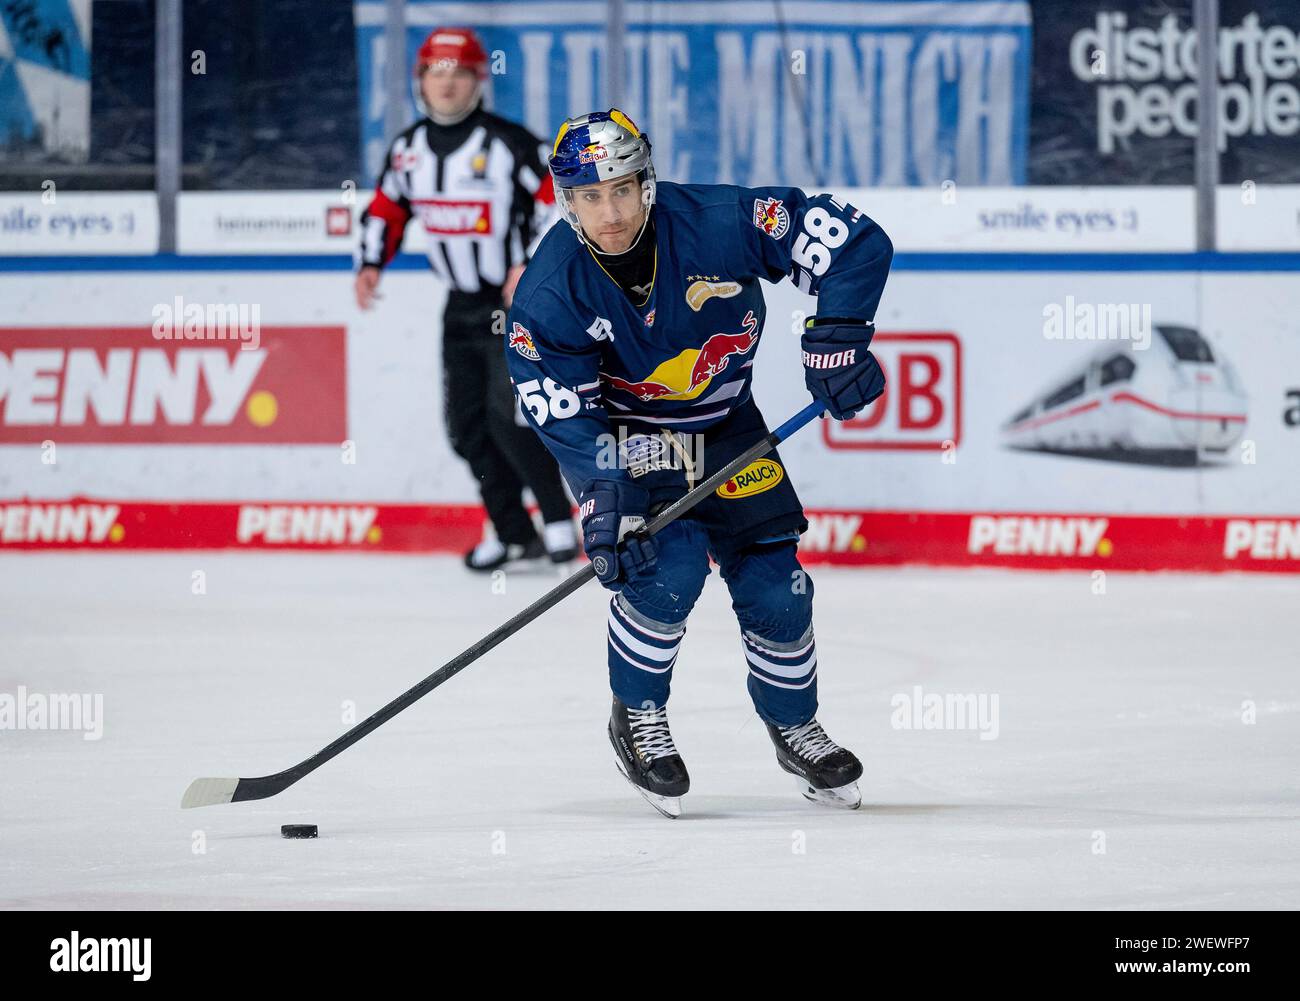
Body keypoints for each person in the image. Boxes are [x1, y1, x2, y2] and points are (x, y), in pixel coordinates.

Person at [504, 110, 893, 817]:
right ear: (567, 201)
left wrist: (838, 336)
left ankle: (792, 721)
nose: (611, 212)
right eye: (590, 197)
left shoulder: (719, 220)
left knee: (779, 589)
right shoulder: (550, 290)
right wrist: (603, 497)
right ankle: (639, 717)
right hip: (630, 444)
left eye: (622, 189)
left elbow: (851, 239)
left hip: (725, 426)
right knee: (665, 576)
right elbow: (565, 416)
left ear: (646, 181)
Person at [355, 27, 577, 571]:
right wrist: (369, 263)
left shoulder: (508, 142)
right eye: (436, 71)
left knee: (512, 417)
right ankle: (511, 533)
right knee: (465, 428)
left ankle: (557, 525)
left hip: (512, 306)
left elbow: (562, 195)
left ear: (478, 81)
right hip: (459, 306)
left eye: (458, 72)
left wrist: (531, 263)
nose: (446, 83)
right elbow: (387, 208)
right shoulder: (408, 150)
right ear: (420, 82)